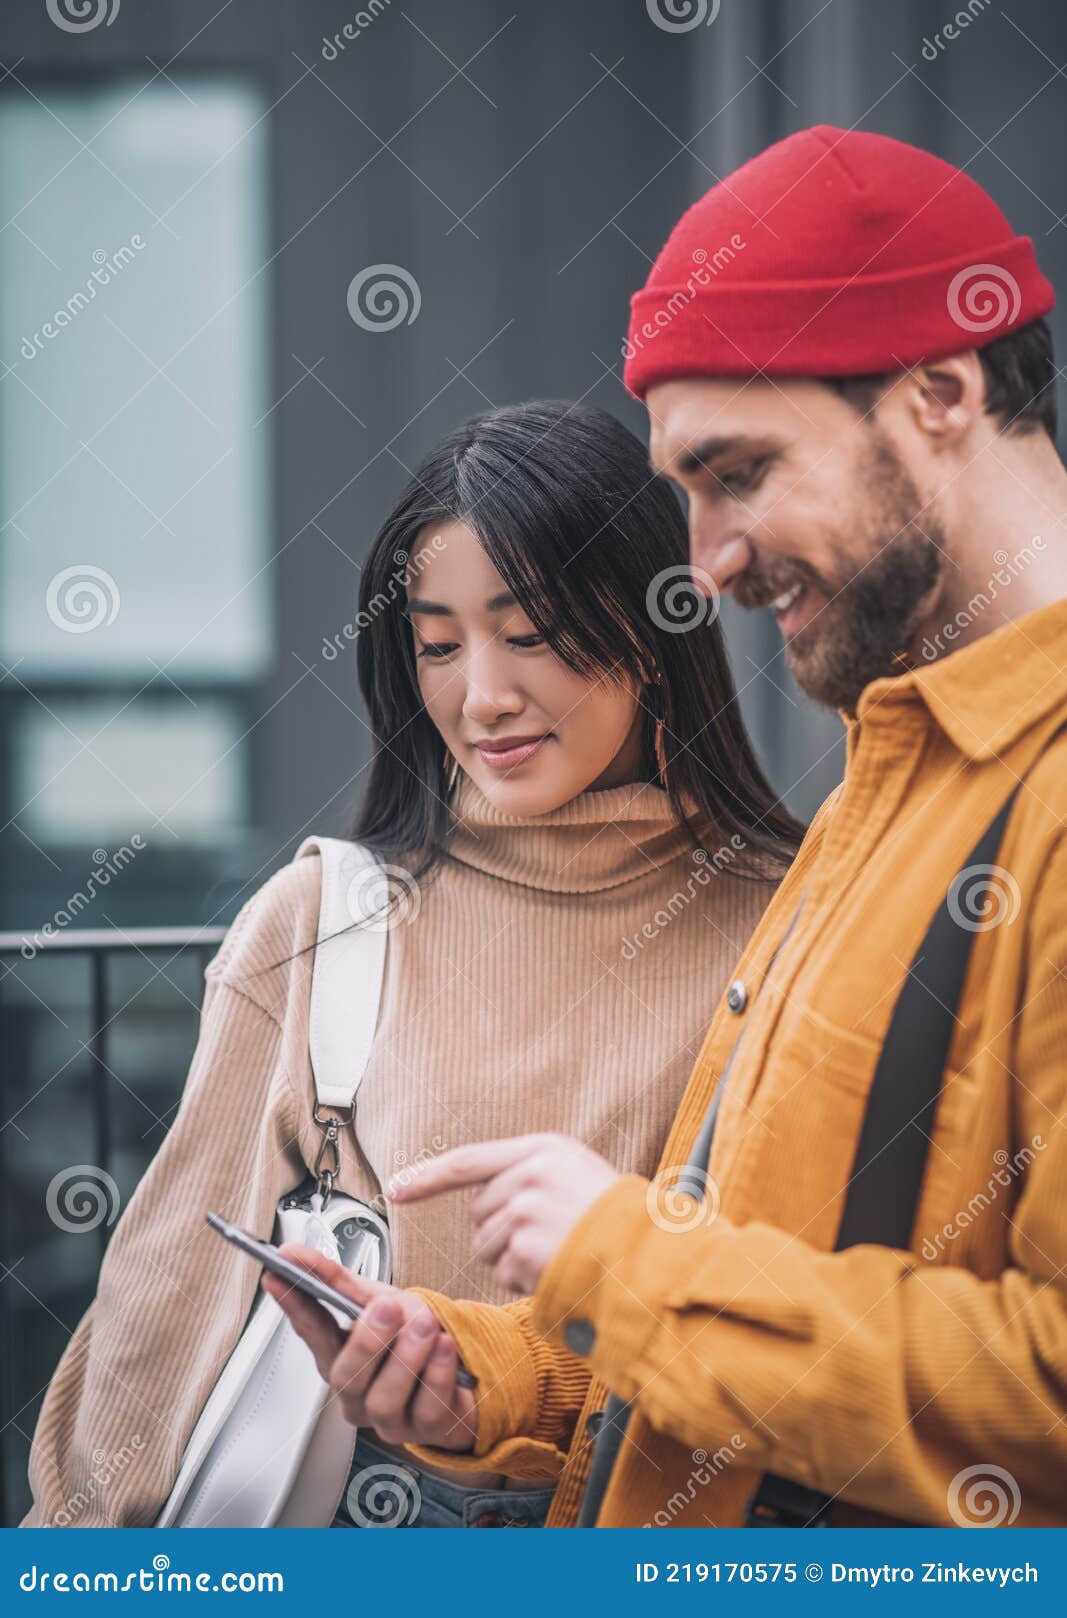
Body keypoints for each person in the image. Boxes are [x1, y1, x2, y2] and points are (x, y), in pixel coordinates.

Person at [272, 127, 1067, 1529]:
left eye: (737, 472)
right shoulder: (884, 777)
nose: (701, 562)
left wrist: (621, 1257)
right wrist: (499, 1382)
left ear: (937, 391)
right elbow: (753, 1320)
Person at [22, 401, 801, 1529]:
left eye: (528, 632)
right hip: (386, 1521)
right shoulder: (324, 920)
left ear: (654, 624)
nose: (479, 695)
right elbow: (164, 1308)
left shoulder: (801, 915)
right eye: (437, 644)